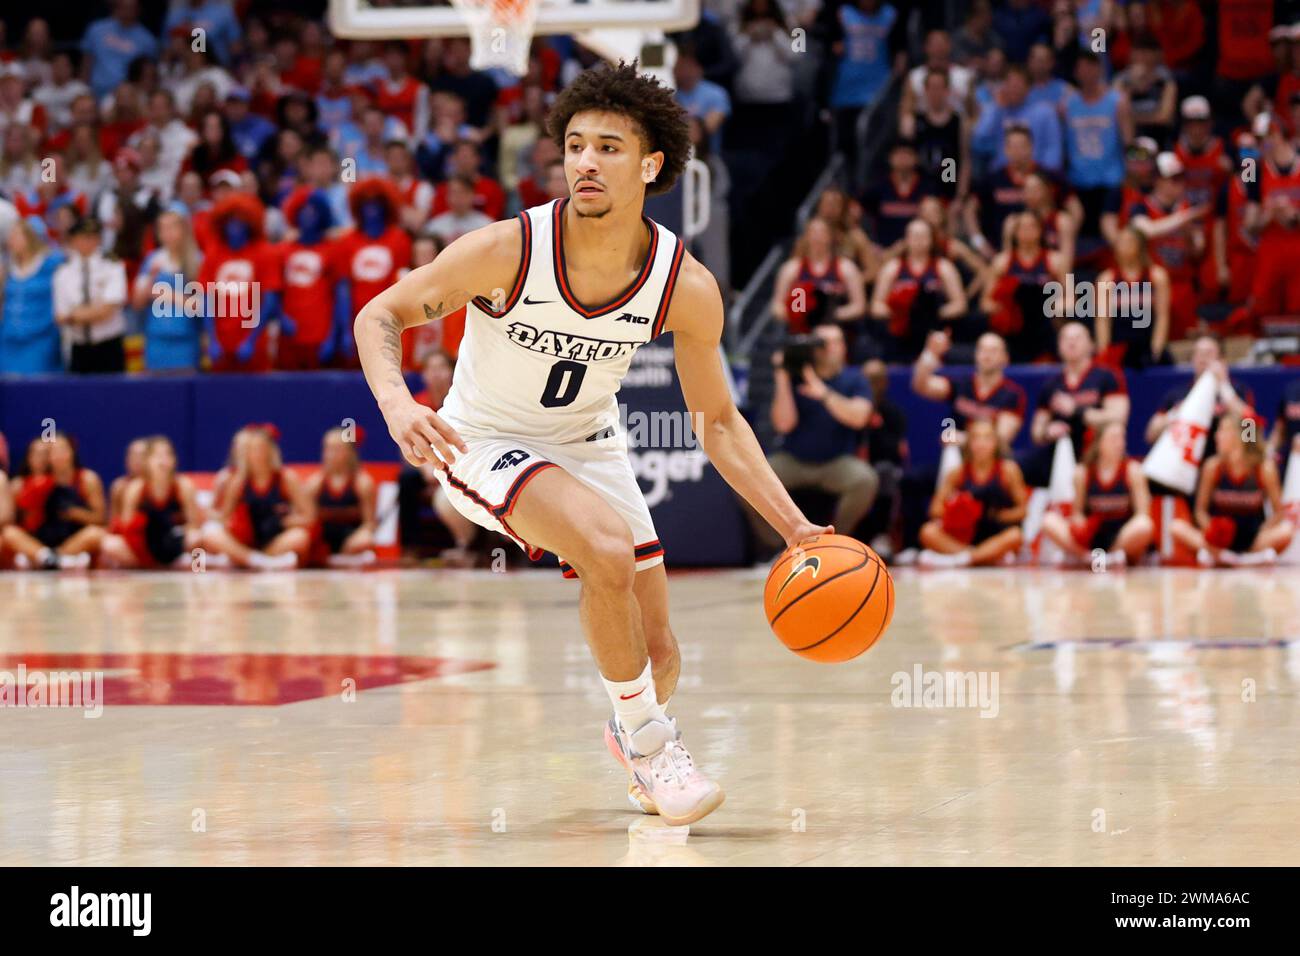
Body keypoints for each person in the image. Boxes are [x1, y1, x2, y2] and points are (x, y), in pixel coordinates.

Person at [354, 63, 831, 826]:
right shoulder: (508, 249)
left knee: (661, 652)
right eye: (575, 144)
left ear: (651, 166)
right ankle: (651, 745)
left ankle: (633, 730)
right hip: (484, 440)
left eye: (609, 147)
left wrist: (795, 526)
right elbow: (382, 313)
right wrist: (396, 402)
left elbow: (717, 421)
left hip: (590, 443)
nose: (584, 161)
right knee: (605, 551)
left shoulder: (684, 283)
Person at [754, 323, 878, 554]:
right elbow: (783, 424)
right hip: (795, 460)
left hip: (836, 462)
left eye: (834, 342)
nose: (827, 348)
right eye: (821, 342)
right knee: (750, 477)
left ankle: (835, 543)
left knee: (864, 479)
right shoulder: (795, 377)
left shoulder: (854, 378)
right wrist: (782, 374)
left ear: (843, 347)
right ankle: (778, 544)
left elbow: (859, 417)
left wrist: (824, 393)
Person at [1171, 415, 1294, 566]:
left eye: (1221, 430)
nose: (1216, 436)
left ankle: (1234, 558)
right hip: (1220, 540)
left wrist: (1262, 531)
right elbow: (1200, 511)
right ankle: (1234, 557)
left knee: (1286, 532)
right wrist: (1212, 529)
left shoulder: (1264, 468)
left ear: (1237, 436)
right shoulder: (1213, 467)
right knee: (1176, 527)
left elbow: (1279, 513)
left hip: (1253, 538)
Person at [1022, 322, 1129, 487]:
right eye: (1065, 339)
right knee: (1021, 464)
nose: (1071, 343)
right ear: (1058, 346)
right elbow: (1036, 431)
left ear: (1091, 344)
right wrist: (1048, 431)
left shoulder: (1106, 376)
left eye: (1077, 338)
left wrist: (1077, 410)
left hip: (1095, 450)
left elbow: (1119, 417)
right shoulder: (1051, 385)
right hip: (1059, 451)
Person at [1040, 420, 1154, 566]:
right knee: (1048, 520)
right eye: (1114, 438)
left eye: (1122, 438)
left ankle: (1109, 557)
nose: (1120, 443)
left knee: (1144, 525)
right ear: (1099, 442)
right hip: (1092, 535)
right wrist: (1079, 523)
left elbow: (1143, 513)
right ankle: (1087, 557)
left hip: (1120, 534)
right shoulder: (1083, 472)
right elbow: (1077, 513)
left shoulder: (1133, 470)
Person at [918, 418, 1027, 567]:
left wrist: (999, 515)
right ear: (969, 443)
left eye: (987, 438)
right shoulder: (957, 473)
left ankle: (962, 558)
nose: (981, 444)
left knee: (1015, 536)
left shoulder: (1008, 470)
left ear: (996, 443)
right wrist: (957, 512)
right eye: (976, 438)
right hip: (966, 536)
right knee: (927, 531)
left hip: (996, 532)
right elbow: (935, 509)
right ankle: (981, 556)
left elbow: (1023, 510)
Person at [203, 425, 312, 570]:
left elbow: (309, 516)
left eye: (261, 448)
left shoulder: (286, 478)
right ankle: (256, 560)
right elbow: (224, 517)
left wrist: (284, 522)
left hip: (275, 538)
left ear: (271, 451)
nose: (258, 454)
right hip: (246, 541)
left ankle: (259, 560)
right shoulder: (238, 481)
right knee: (211, 535)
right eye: (253, 449)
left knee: (300, 537)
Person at [1, 432, 104, 570]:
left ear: (71, 451)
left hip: (72, 540)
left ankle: (56, 559)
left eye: (62, 449)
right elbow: (22, 522)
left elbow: (101, 519)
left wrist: (73, 513)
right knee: (10, 533)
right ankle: (47, 558)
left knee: (95, 533)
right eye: (52, 452)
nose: (57, 455)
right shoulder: (29, 483)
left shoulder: (87, 479)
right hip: (40, 542)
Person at [99, 436, 203, 569]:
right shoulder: (136, 488)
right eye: (158, 455)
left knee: (197, 538)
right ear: (147, 461)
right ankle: (146, 567)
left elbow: (194, 524)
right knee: (109, 544)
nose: (163, 460)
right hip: (142, 547)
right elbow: (125, 525)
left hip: (173, 543)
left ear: (174, 460)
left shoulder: (184, 485)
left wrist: (174, 532)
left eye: (168, 454)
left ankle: (198, 572)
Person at [870, 218, 966, 361]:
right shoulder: (893, 268)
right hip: (900, 332)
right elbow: (876, 305)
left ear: (931, 240)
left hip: (933, 330)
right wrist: (900, 313)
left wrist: (933, 313)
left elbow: (960, 304)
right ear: (906, 239)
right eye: (914, 236)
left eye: (923, 236)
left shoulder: (943, 267)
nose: (919, 240)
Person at [911, 330, 1026, 450]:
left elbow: (1002, 439)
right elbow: (921, 386)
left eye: (993, 350)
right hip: (959, 456)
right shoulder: (961, 385)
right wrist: (930, 354)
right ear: (975, 354)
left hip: (994, 460)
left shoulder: (1013, 394)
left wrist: (961, 438)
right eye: (982, 349)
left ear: (1005, 358)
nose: (987, 355)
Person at [53, 216, 128, 374]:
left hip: (108, 345)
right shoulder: (63, 271)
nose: (88, 242)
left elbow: (107, 310)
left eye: (93, 237)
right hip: (79, 347)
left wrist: (74, 314)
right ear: (73, 240)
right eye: (83, 237)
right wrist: (93, 311)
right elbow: (60, 316)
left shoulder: (112, 265)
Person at [135, 206, 204, 371]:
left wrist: (170, 296)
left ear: (184, 229)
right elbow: (137, 302)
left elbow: (203, 306)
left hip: (185, 343)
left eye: (172, 227)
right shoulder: (153, 260)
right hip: (156, 341)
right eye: (162, 228)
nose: (167, 233)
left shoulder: (198, 261)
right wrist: (152, 279)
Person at [771, 218, 867, 336]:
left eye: (821, 233)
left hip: (834, 329)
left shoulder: (846, 267)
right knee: (779, 355)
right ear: (806, 236)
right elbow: (777, 306)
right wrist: (797, 315)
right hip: (799, 330)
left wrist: (828, 314)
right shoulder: (792, 268)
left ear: (830, 236)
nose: (817, 237)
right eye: (813, 232)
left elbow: (859, 306)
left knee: (833, 336)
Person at [1095, 226, 1171, 370]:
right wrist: (1104, 352)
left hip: (1147, 345)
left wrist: (1156, 351)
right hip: (1118, 346)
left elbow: (1162, 317)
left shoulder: (1157, 276)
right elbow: (1102, 320)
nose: (1124, 245)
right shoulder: (1107, 279)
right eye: (1120, 241)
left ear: (1140, 245)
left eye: (1129, 241)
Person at [0, 216, 65, 374]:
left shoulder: (52, 263)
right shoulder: (8, 267)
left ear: (30, 238)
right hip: (10, 338)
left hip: (40, 338)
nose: (11, 240)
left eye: (16, 235)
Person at [306, 428, 377, 568]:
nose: (331, 454)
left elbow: (369, 523)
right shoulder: (315, 483)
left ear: (350, 452)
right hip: (324, 540)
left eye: (337, 449)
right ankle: (333, 559)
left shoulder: (362, 483)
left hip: (350, 538)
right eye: (328, 449)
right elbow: (308, 519)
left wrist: (356, 539)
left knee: (366, 540)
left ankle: (340, 558)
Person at [108, 437, 148, 523]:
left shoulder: (158, 488)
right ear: (127, 459)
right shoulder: (118, 486)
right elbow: (113, 521)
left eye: (141, 455)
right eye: (133, 455)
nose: (137, 460)